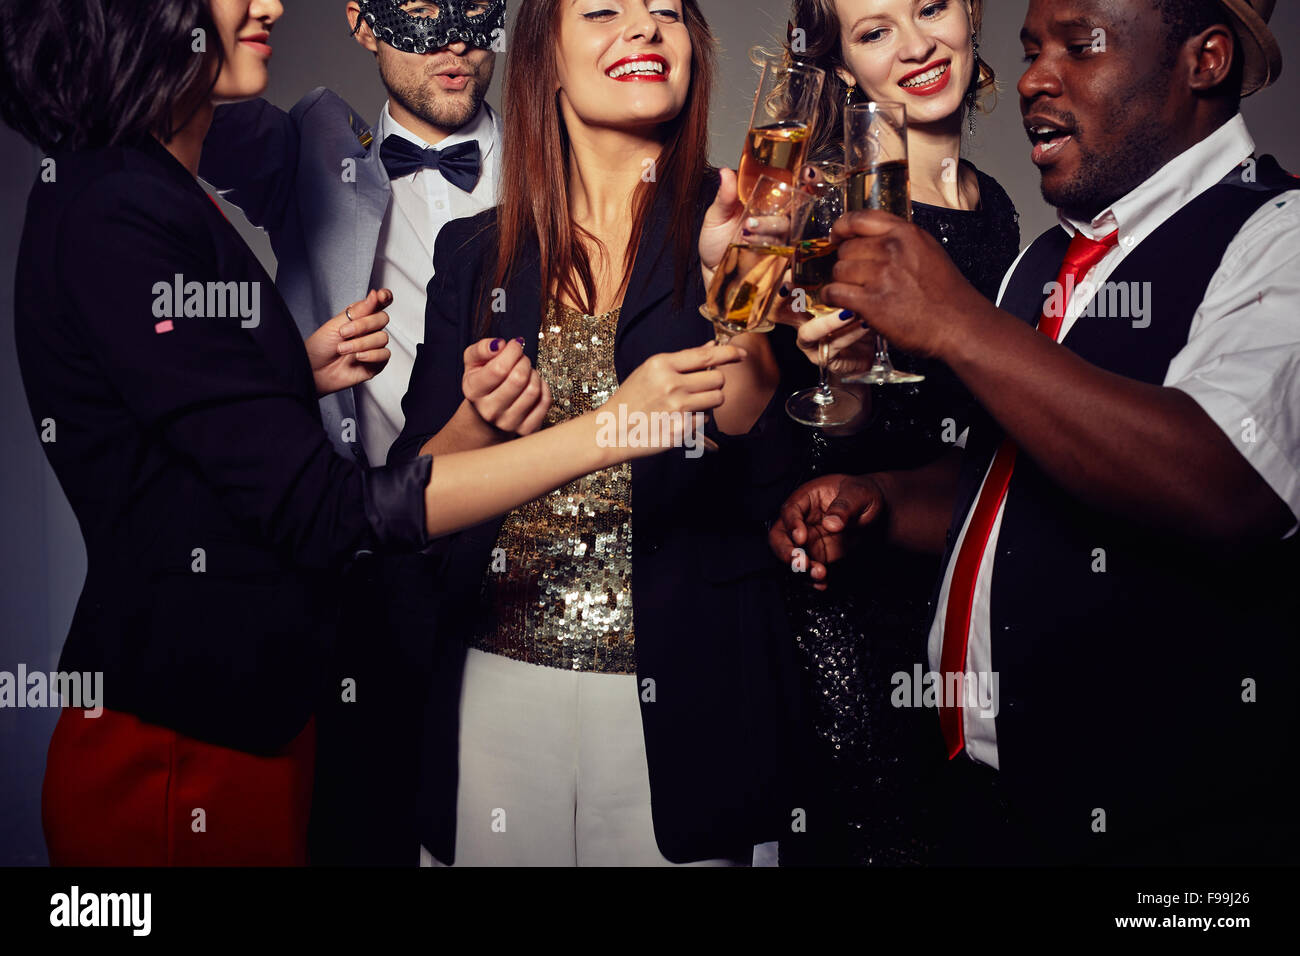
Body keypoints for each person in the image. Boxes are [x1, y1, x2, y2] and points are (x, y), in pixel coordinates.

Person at [2, 0, 741, 866]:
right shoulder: (126, 202)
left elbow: (183, 424)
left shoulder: (140, 194)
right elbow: (322, 509)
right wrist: (613, 427)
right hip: (184, 736)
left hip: (265, 708)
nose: (272, 4)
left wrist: (280, 376)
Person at [772, 0, 1300, 864]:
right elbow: (1015, 486)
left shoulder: (1279, 236)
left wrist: (955, 323)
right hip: (982, 805)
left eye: (1079, 47)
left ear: (1204, 61)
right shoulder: (1047, 261)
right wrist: (881, 501)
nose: (1033, 79)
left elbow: (1228, 484)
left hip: (1167, 827)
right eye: (1030, 50)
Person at [389, 0, 812, 866]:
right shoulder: (475, 255)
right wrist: (478, 421)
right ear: (545, 52)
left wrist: (742, 289)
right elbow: (410, 500)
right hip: (495, 690)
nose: (646, 28)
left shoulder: (740, 218)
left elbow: (756, 463)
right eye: (606, 10)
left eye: (667, 11)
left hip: (684, 703)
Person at [774, 0, 1020, 865]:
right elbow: (790, 444)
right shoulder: (826, 216)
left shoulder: (998, 215)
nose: (917, 45)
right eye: (875, 31)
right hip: (847, 615)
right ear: (843, 69)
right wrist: (840, 384)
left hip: (966, 605)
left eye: (929, 7)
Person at [200, 0, 510, 466]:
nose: (455, 40)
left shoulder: (568, 169)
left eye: (473, 7)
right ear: (363, 26)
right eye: (422, 10)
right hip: (371, 520)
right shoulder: (309, 162)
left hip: (539, 512)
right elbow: (162, 114)